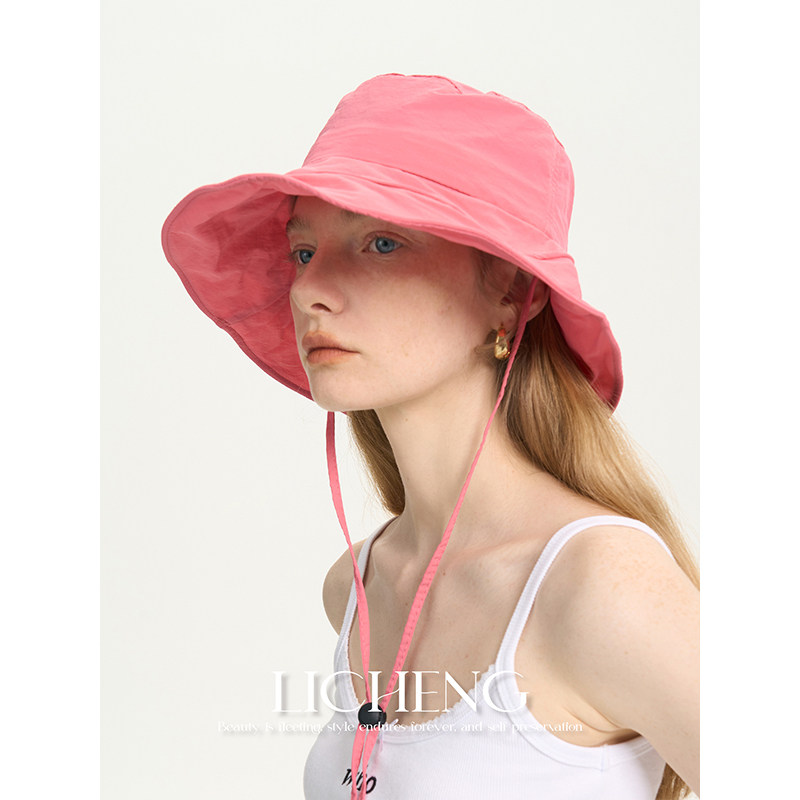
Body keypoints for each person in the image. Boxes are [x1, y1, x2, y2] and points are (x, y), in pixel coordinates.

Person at [162, 73, 699, 800]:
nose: (309, 290)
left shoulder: (596, 584)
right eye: (303, 251)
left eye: (381, 243)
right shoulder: (357, 585)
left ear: (510, 293)